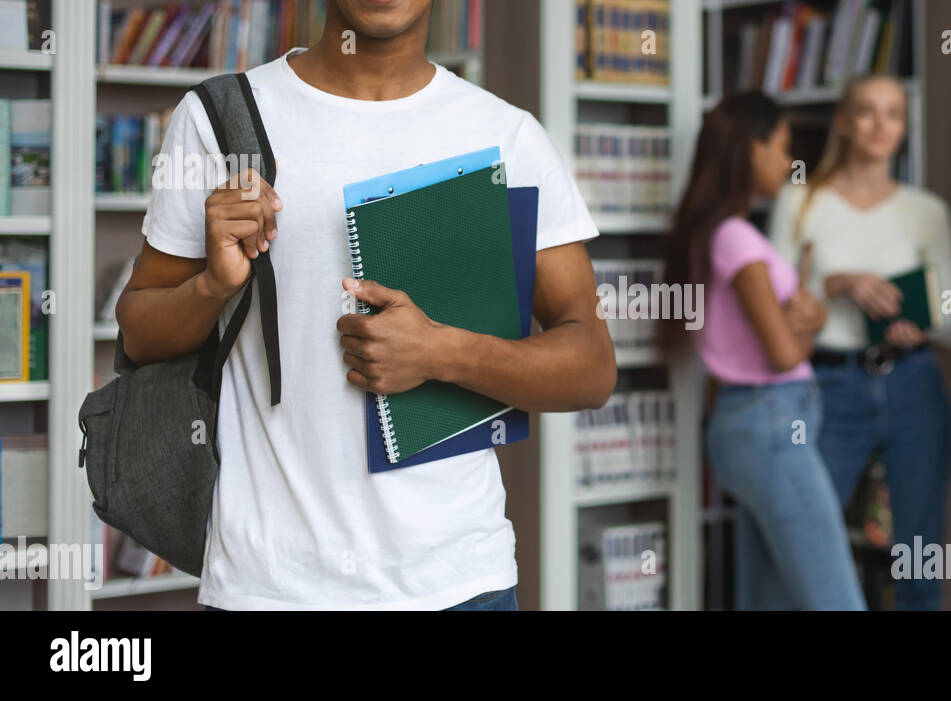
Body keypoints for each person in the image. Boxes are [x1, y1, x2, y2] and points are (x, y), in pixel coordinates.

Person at [116, 0, 616, 610]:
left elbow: (591, 366)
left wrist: (441, 353)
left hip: (459, 583)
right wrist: (212, 286)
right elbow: (139, 333)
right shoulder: (219, 120)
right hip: (269, 587)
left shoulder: (505, 135)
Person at [659, 92, 865, 611]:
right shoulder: (737, 238)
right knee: (835, 597)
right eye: (781, 148)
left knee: (768, 599)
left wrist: (804, 316)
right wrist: (810, 325)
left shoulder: (714, 234)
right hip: (771, 424)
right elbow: (780, 352)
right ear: (752, 150)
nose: (787, 163)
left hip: (748, 426)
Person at [768, 74, 951, 610]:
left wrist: (923, 326)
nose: (881, 125)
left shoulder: (927, 211)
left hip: (913, 381)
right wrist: (836, 285)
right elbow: (769, 307)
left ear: (905, 126)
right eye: (867, 112)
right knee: (811, 543)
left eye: (894, 113)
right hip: (829, 383)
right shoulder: (799, 202)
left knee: (920, 553)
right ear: (843, 121)